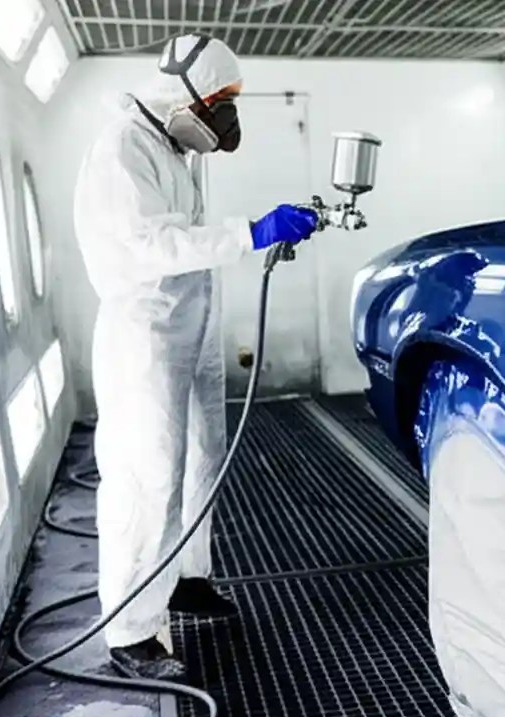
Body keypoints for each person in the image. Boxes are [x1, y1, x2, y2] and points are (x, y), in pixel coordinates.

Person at [72, 34, 318, 681]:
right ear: (182, 96)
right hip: (145, 337)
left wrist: (257, 239)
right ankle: (130, 632)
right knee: (147, 476)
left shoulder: (174, 148)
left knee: (203, 456)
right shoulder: (122, 149)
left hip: (192, 325)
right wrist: (252, 233)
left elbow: (186, 235)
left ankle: (185, 576)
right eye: (219, 104)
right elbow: (151, 245)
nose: (225, 119)